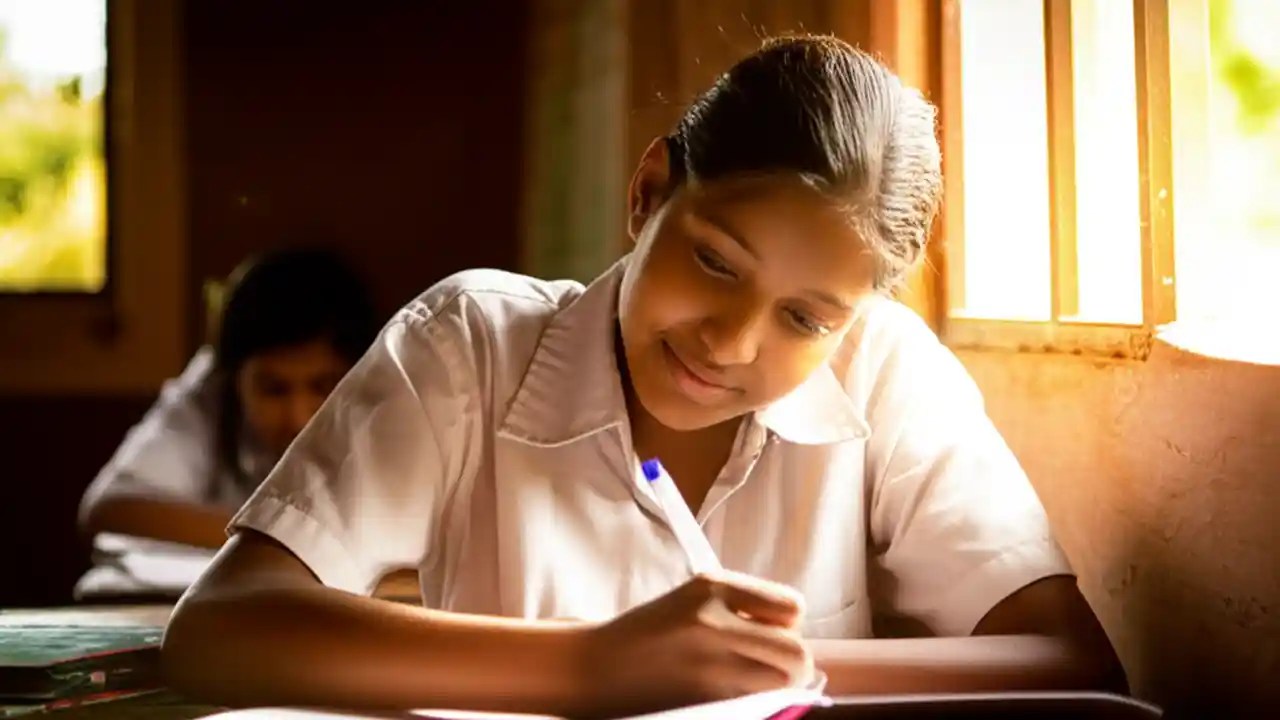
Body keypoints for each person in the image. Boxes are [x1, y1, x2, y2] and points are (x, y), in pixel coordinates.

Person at [162, 37, 1126, 717]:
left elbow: (1069, 660)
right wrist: (587, 667)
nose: (734, 342)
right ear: (648, 192)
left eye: (804, 317)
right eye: (714, 262)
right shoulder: (469, 345)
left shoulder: (885, 368)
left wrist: (741, 669)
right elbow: (221, 628)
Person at [79, 247, 378, 551]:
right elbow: (109, 507)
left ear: (361, 374)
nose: (298, 417)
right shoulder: (211, 397)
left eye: (323, 387)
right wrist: (283, 543)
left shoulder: (389, 403)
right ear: (233, 379)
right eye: (274, 389)